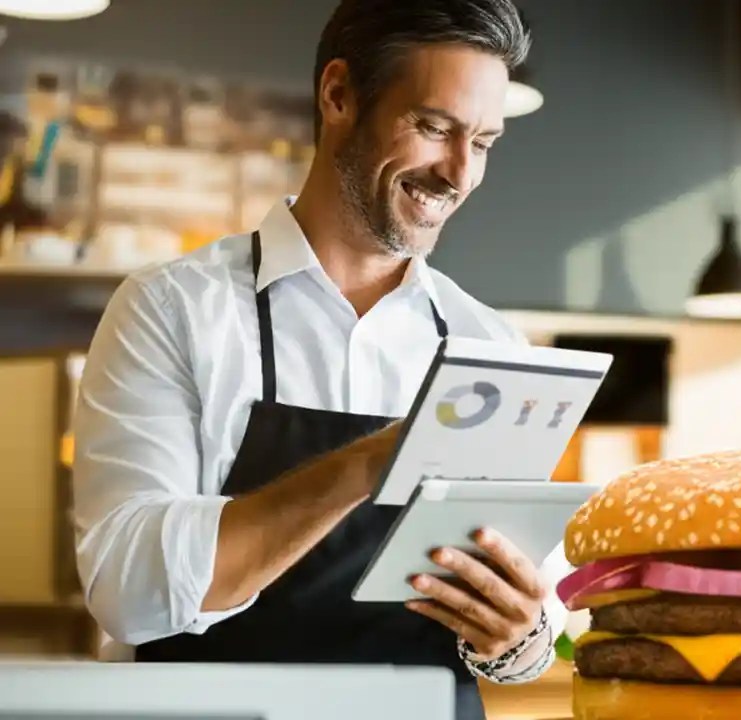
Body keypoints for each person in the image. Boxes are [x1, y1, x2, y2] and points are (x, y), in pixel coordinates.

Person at [70, 1, 563, 717]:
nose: (459, 172)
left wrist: (517, 635)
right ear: (338, 95)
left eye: (482, 142)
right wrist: (365, 465)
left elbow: (529, 619)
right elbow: (127, 592)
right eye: (433, 127)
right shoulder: (172, 309)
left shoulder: (489, 345)